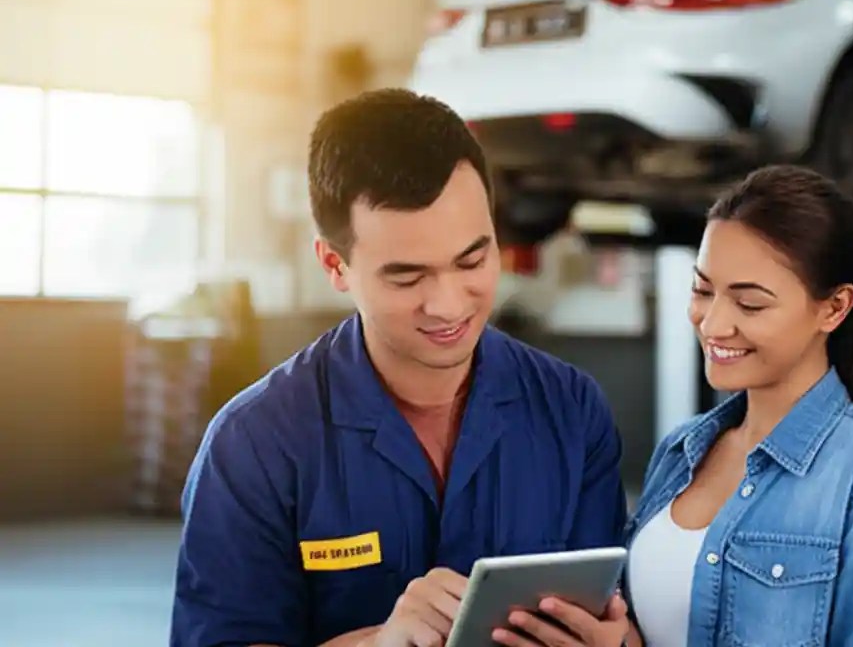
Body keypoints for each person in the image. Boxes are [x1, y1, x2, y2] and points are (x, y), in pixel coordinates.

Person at [170, 89, 631, 647]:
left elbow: (611, 615)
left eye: (473, 260)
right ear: (334, 265)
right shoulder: (254, 445)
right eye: (407, 277)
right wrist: (378, 643)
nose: (449, 304)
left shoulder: (570, 411)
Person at [624, 165, 853, 645]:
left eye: (749, 304)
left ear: (834, 308)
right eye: (703, 290)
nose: (712, 324)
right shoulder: (680, 450)